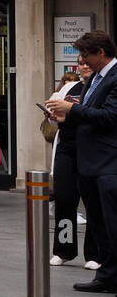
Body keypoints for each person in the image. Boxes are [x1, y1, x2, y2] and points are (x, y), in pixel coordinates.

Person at [46, 30, 117, 295]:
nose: (82, 60)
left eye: (86, 54)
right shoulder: (95, 79)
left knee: (111, 223)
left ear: (101, 53)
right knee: (99, 223)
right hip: (88, 162)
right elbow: (91, 114)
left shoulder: (114, 77)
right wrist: (67, 118)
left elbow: (110, 116)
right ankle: (107, 275)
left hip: (108, 162)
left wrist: (71, 109)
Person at [48, 64, 100, 266]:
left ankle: (95, 254)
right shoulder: (69, 88)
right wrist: (52, 117)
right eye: (81, 62)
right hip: (67, 148)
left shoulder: (101, 87)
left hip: (91, 149)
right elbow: (55, 122)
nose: (84, 65)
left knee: (93, 202)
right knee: (63, 198)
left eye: (87, 61)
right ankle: (64, 249)